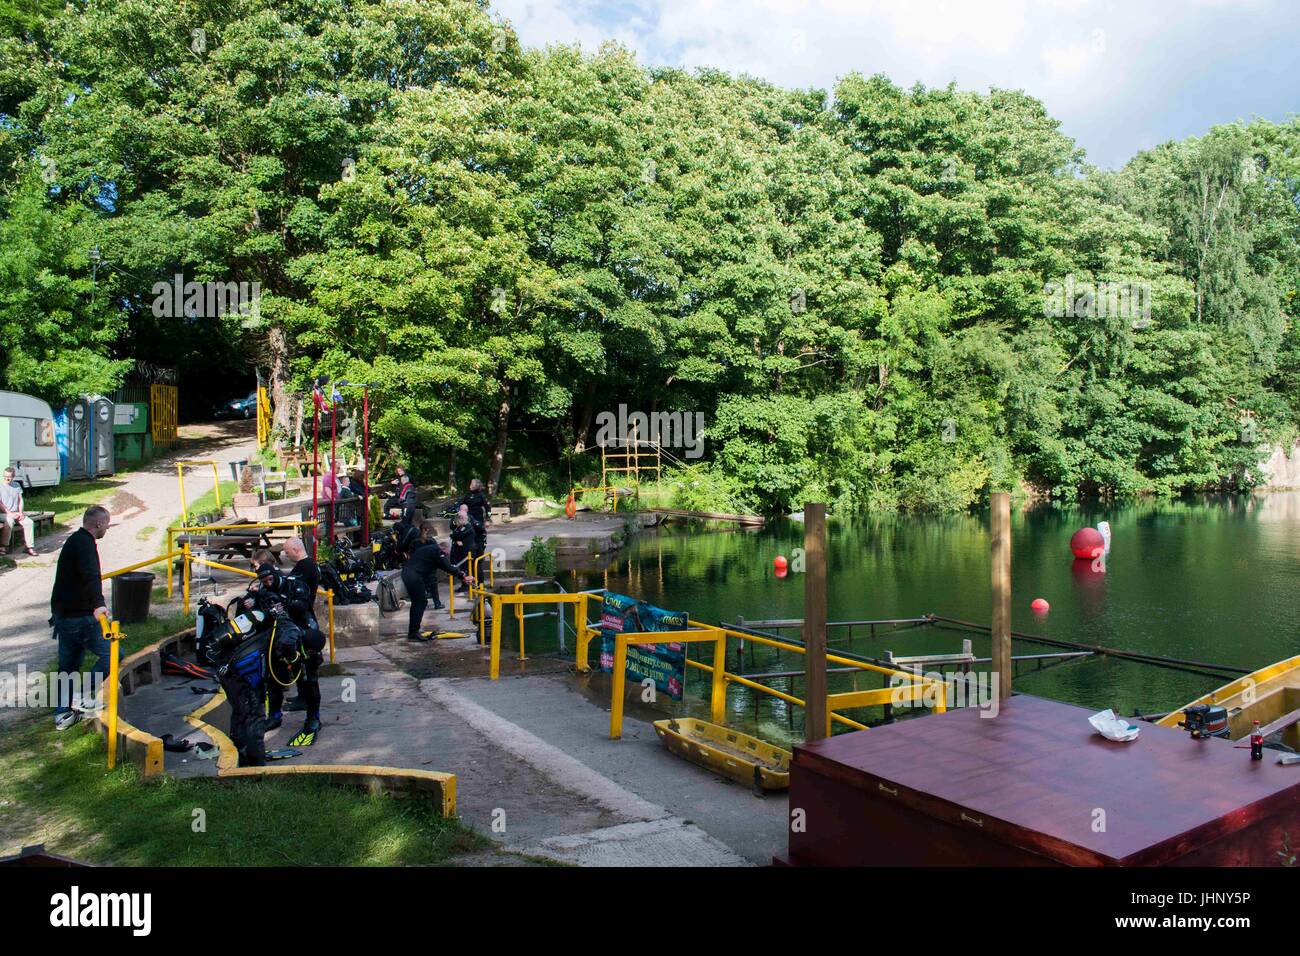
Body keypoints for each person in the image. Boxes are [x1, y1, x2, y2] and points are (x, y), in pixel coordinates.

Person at [49, 505, 111, 729]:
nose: (108, 527)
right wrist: (99, 605)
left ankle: (62, 713)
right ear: (98, 524)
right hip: (79, 617)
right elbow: (91, 576)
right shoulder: (85, 544)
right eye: (107, 523)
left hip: (63, 615)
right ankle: (82, 694)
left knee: (68, 665)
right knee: (112, 654)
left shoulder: (75, 540)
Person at [401, 520, 471, 641]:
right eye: (447, 554)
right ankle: (413, 632)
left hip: (407, 573)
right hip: (413, 575)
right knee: (421, 602)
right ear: (444, 550)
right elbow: (447, 567)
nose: (447, 556)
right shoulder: (437, 551)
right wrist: (463, 576)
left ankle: (413, 631)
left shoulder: (429, 549)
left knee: (418, 602)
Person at [0, 466, 37, 557]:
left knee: (29, 522)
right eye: (5, 476)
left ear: (13, 476)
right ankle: (4, 546)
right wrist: (10, 513)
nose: (7, 478)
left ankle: (29, 547)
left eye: (9, 476)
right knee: (9, 521)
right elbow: (0, 503)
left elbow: (20, 500)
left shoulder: (17, 485)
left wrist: (21, 512)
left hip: (16, 512)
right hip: (4, 513)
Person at [458, 478, 491, 575]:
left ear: (476, 485)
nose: (470, 485)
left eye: (472, 484)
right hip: (467, 522)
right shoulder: (467, 495)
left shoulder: (481, 496)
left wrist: (488, 520)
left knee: (478, 544)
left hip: (478, 522)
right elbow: (460, 505)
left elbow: (488, 507)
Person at [448, 506, 476, 594]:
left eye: (457, 522)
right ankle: (464, 585)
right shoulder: (459, 527)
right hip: (462, 552)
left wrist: (456, 537)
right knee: (463, 569)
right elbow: (453, 535)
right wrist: (456, 539)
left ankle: (469, 585)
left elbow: (457, 535)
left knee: (468, 569)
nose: (456, 524)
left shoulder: (468, 527)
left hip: (468, 552)